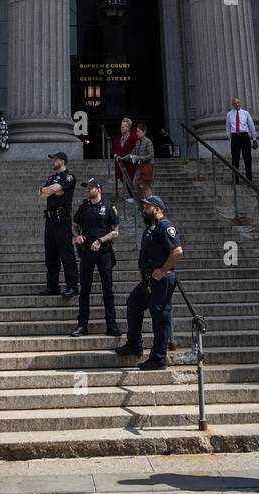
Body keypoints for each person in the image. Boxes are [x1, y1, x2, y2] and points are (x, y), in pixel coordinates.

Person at [115, 195, 183, 370]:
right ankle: (134, 344)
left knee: (160, 318)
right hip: (147, 280)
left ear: (157, 209)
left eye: (147, 207)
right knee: (133, 304)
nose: (143, 210)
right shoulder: (150, 228)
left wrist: (163, 270)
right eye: (144, 207)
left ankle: (158, 358)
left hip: (160, 280)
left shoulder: (165, 226)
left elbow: (177, 251)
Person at [72, 178, 122, 337]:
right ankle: (82, 325)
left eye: (90, 187)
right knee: (84, 290)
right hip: (86, 253)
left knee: (108, 289)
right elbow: (74, 226)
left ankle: (111, 325)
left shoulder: (108, 207)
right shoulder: (84, 206)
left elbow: (116, 232)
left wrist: (101, 240)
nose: (87, 190)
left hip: (104, 253)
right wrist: (77, 236)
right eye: (86, 188)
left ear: (98, 189)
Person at [37, 152, 78, 298]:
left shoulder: (69, 177)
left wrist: (52, 189)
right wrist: (50, 189)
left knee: (66, 253)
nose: (53, 161)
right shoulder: (51, 178)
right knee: (51, 254)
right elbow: (41, 194)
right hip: (50, 219)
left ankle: (72, 286)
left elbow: (53, 190)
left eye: (55, 159)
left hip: (62, 218)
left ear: (62, 161)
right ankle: (52, 286)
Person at [226, 96, 257, 181]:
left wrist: (254, 139)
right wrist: (231, 139)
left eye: (238, 102)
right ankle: (235, 180)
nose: (237, 104)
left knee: (247, 158)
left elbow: (252, 126)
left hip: (244, 136)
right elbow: (228, 129)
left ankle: (249, 178)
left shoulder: (246, 113)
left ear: (240, 103)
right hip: (235, 137)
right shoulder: (229, 114)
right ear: (232, 104)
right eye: (235, 103)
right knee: (235, 159)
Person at [112, 117, 137, 199]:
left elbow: (135, 149)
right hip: (121, 163)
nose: (121, 129)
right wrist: (115, 155)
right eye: (121, 127)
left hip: (131, 163)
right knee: (124, 179)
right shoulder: (118, 138)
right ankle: (131, 195)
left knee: (131, 179)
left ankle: (134, 196)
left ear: (128, 128)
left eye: (123, 127)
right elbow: (115, 148)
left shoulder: (134, 137)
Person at [131, 120, 155, 200]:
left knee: (146, 185)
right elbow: (133, 152)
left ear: (144, 132)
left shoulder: (148, 142)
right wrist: (123, 157)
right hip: (140, 166)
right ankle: (142, 199)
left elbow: (151, 155)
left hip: (148, 165)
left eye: (138, 131)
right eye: (137, 131)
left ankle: (150, 202)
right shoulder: (137, 142)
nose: (137, 133)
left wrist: (139, 157)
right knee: (135, 183)